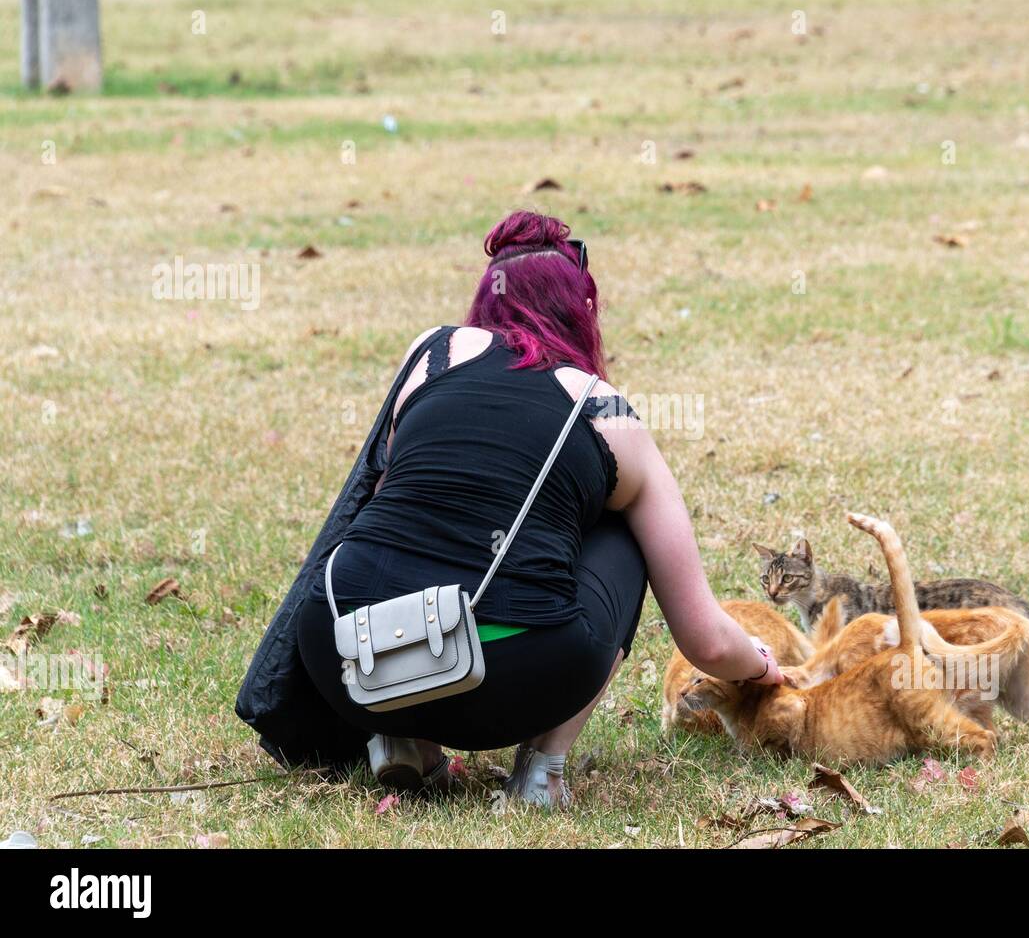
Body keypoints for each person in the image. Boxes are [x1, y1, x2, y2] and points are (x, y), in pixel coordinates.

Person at [292, 210, 782, 808]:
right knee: (626, 531)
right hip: (509, 682)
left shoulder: (431, 351)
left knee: (410, 526)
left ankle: (401, 739)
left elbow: (394, 484)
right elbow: (704, 640)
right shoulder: (606, 411)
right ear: (582, 310)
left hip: (344, 652)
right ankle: (542, 773)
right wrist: (760, 667)